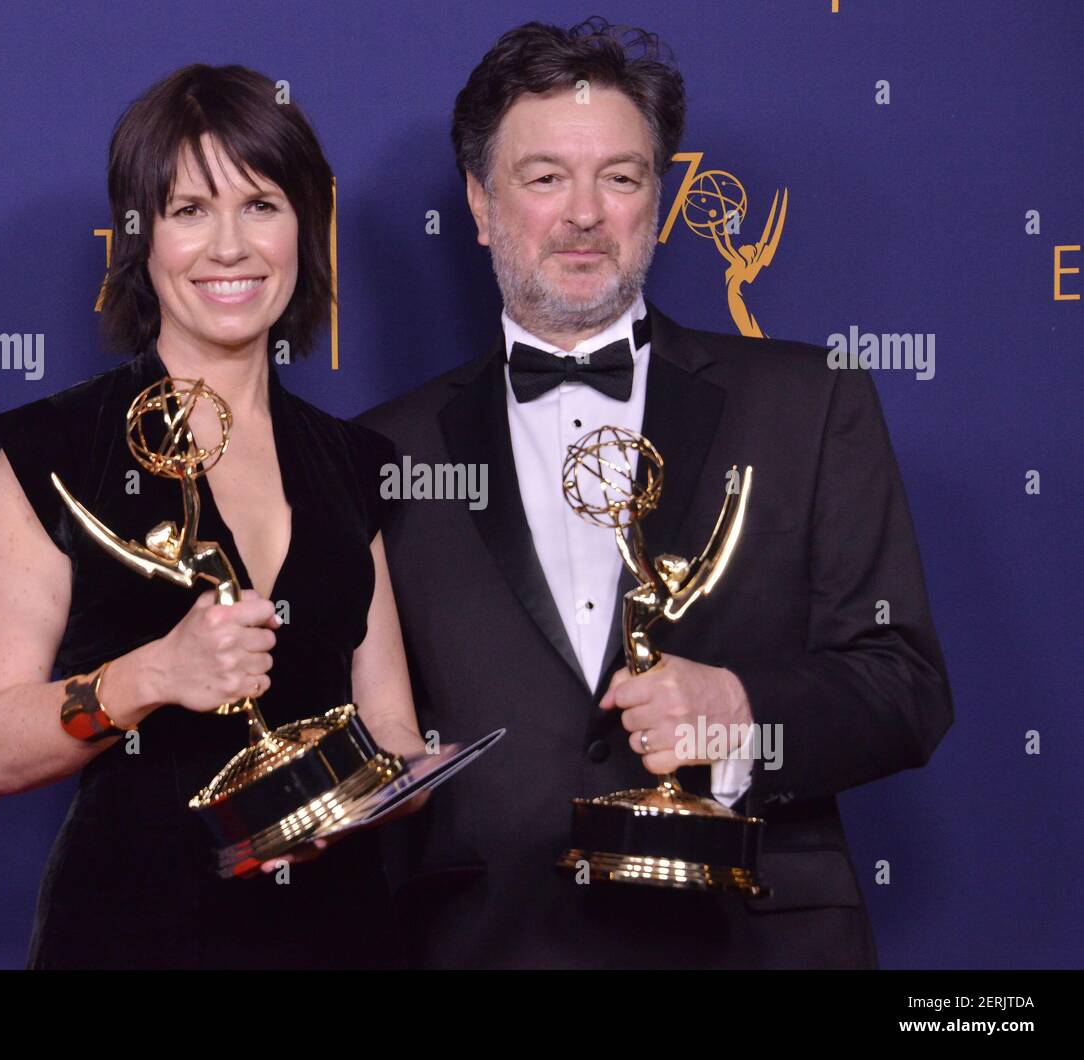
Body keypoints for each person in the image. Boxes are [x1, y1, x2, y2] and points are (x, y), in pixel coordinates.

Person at [358, 18, 954, 968]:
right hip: (491, 948)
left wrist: (739, 705)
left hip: (748, 944)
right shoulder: (383, 449)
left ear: (660, 197)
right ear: (479, 204)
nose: (585, 213)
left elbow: (907, 687)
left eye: (621, 177)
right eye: (544, 177)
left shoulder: (809, 401)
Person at [0, 64, 425, 970]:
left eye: (261, 205)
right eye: (188, 211)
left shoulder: (351, 462)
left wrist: (357, 798)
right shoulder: (52, 450)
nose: (229, 248)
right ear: (140, 240)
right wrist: (153, 674)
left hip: (340, 932)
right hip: (136, 929)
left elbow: (394, 731)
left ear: (305, 228)